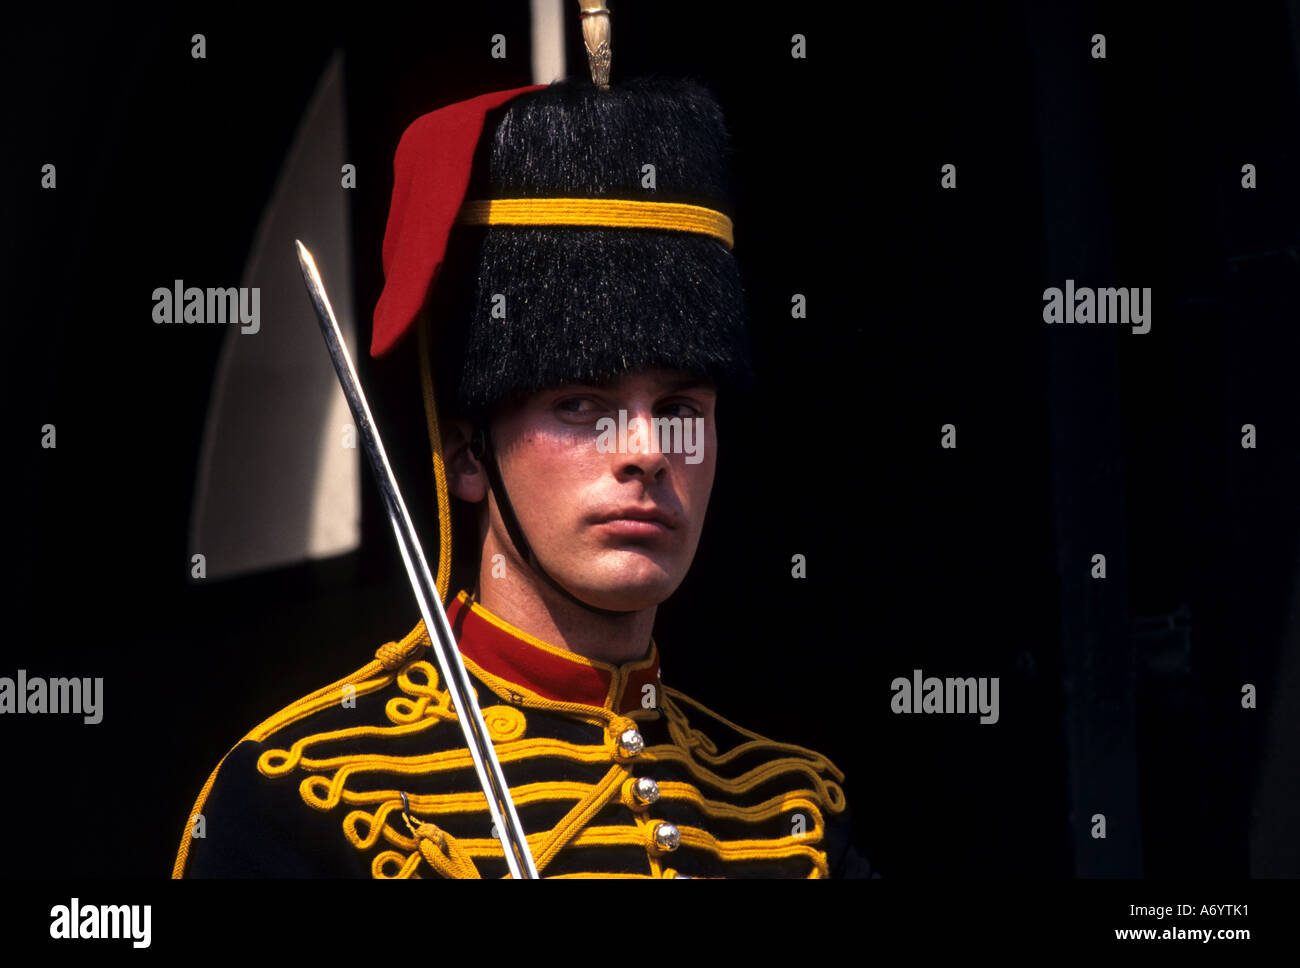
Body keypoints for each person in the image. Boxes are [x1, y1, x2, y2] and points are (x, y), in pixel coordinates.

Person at [172, 73, 876, 879]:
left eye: (681, 404)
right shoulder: (304, 798)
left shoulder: (792, 818)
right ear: (470, 454)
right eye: (581, 403)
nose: (644, 448)